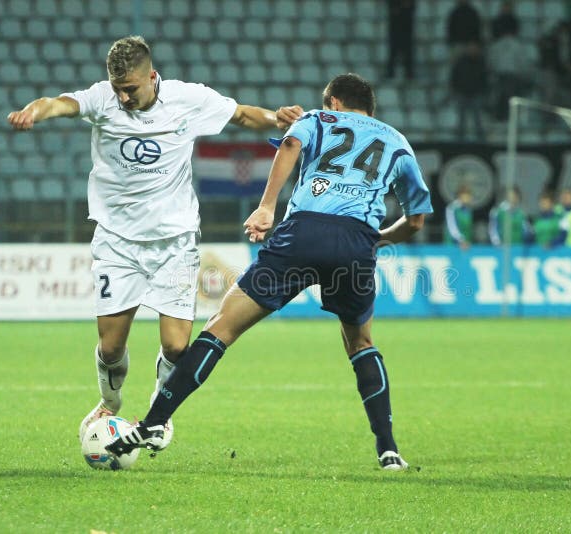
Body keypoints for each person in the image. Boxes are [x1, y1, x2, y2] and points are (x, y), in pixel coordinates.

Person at [105, 73, 434, 470]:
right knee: (361, 343)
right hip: (355, 244)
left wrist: (266, 206)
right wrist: (375, 240)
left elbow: (292, 144)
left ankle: (154, 423)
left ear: (332, 101)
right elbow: (416, 221)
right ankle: (389, 450)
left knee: (221, 328)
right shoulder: (398, 142)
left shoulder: (318, 118)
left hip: (302, 234)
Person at [7, 36, 302, 446]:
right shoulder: (103, 99)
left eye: (131, 88)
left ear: (151, 75)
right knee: (111, 347)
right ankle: (109, 402)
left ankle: (158, 411)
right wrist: (32, 112)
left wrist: (277, 119)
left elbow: (241, 115)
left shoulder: (186, 99)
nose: (123, 97)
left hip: (175, 240)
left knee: (177, 345)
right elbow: (58, 103)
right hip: (117, 240)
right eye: (117, 89)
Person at [450, 41, 487, 141]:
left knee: (478, 119)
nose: (473, 50)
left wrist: (483, 90)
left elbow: (484, 78)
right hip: (462, 93)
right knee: (461, 119)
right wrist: (456, 89)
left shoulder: (481, 62)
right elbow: (454, 77)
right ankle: (459, 139)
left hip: (476, 94)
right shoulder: (460, 62)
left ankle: (481, 139)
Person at [385, 0, 417, 80]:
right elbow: (393, 8)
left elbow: (411, 7)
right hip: (395, 28)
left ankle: (409, 73)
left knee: (408, 51)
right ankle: (390, 72)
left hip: (406, 28)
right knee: (393, 51)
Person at [443, 184, 474, 249]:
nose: (467, 197)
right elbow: (452, 227)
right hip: (452, 245)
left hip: (466, 246)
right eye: (465, 194)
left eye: (469, 194)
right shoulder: (452, 208)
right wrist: (461, 240)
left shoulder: (468, 210)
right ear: (459, 195)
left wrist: (467, 241)